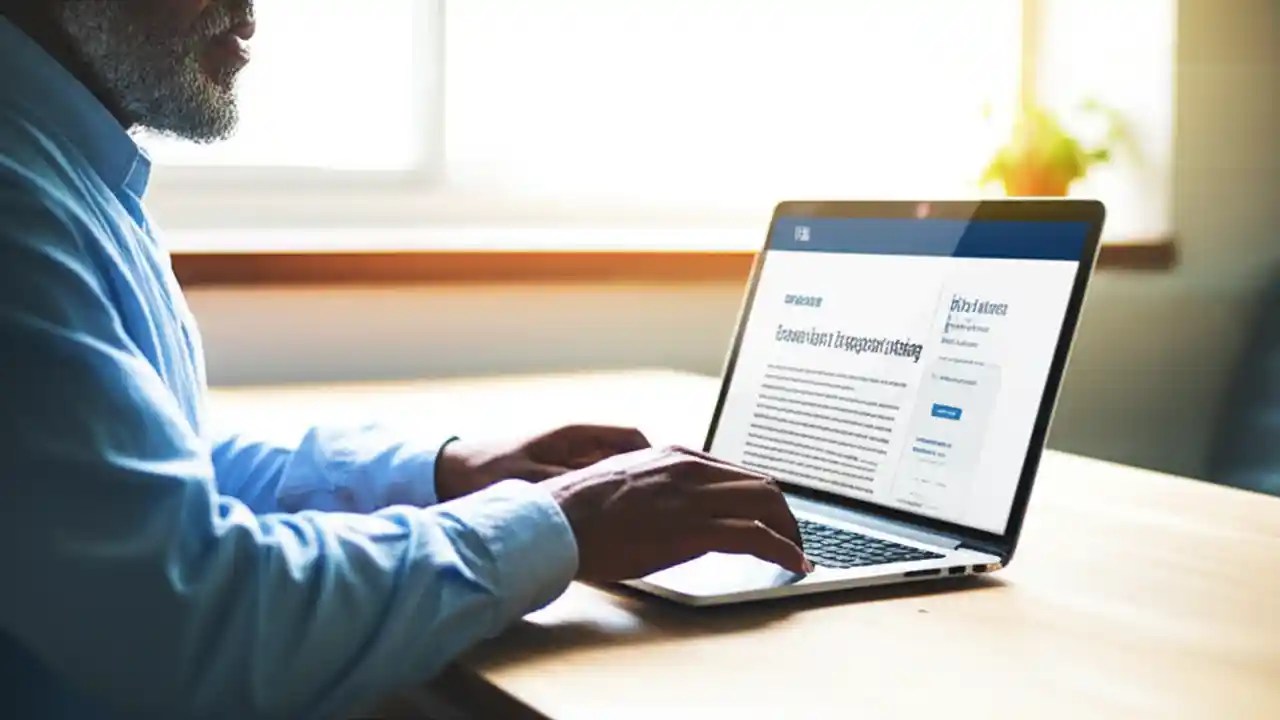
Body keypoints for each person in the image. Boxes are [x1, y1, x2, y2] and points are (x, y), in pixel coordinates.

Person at [0, 1, 810, 717]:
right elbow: (181, 619)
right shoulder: (16, 202)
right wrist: (560, 523)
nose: (253, 11)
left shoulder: (60, 157)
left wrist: (441, 474)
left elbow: (143, 471)